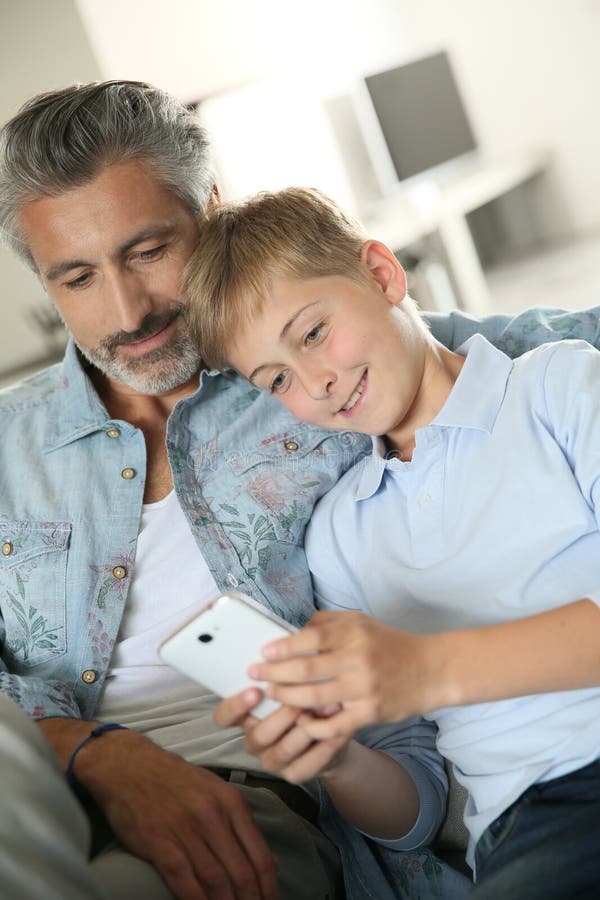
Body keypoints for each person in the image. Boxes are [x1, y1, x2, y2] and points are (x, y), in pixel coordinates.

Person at [0, 80, 479, 900]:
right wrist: (95, 752)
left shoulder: (322, 368)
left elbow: (538, 351)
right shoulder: (12, 444)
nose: (128, 310)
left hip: (246, 807)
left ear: (213, 212)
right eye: (76, 277)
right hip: (39, 785)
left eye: (148, 251)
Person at [184, 187, 600, 900]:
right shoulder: (342, 538)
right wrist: (338, 758)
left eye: (312, 333)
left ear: (381, 275)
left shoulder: (560, 386)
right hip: (532, 824)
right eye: (276, 378)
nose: (315, 381)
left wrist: (428, 669)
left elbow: (424, 674)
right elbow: (416, 813)